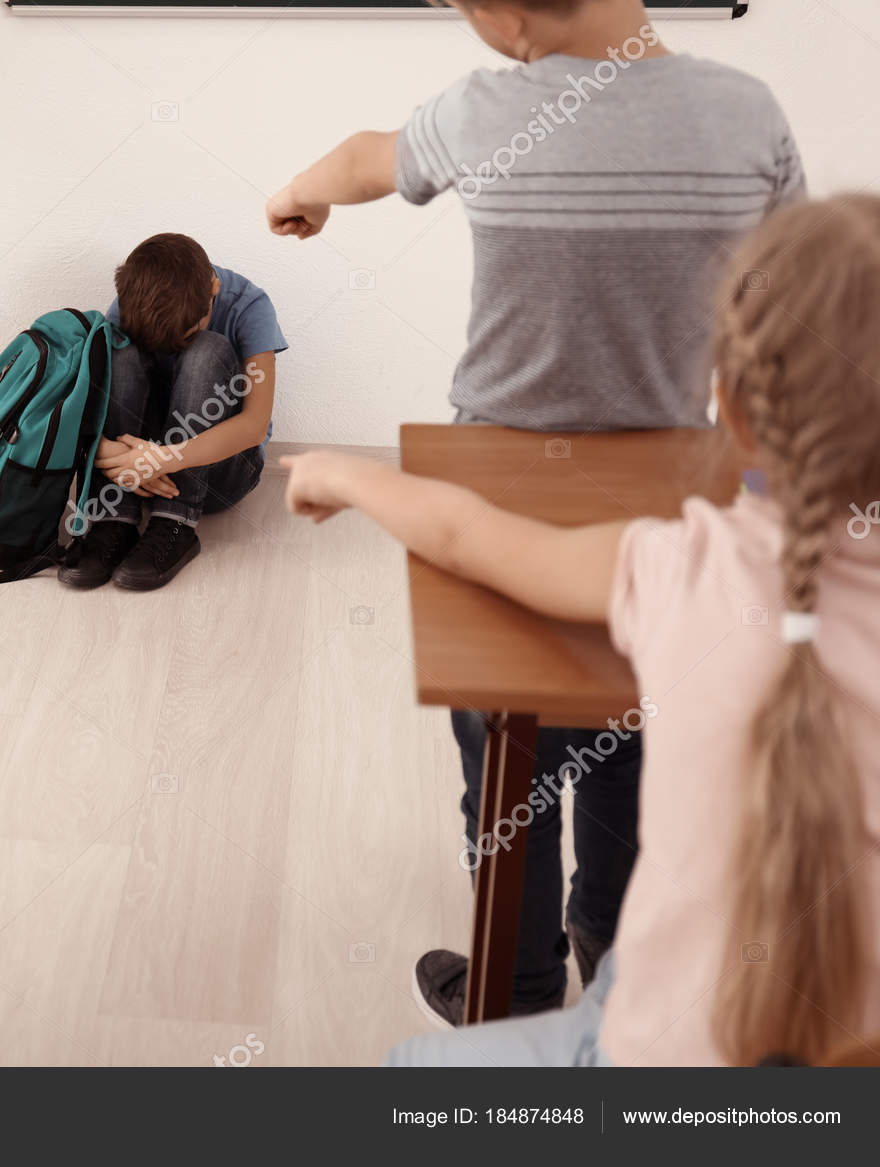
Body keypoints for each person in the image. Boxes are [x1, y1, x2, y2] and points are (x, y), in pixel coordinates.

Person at [266, 0, 806, 1022]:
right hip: (669, 505)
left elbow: (359, 159)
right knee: (631, 740)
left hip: (491, 492)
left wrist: (297, 196)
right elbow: (791, 295)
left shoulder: (485, 111)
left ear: (510, 19)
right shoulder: (748, 114)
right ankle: (610, 949)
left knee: (508, 780)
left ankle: (511, 991)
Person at [284, 194, 880, 1067]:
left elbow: (469, 536)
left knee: (408, 1071)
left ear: (735, 412)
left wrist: (345, 474)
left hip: (652, 1056)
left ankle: (543, 984)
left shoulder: (683, 567)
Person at [61, 234, 287, 592]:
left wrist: (163, 460)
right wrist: (112, 453)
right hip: (136, 468)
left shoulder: (250, 306)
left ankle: (176, 523)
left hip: (220, 472)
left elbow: (254, 425)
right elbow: (90, 405)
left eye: (186, 332)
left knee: (205, 350)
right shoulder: (130, 303)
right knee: (117, 349)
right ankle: (114, 520)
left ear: (214, 288)